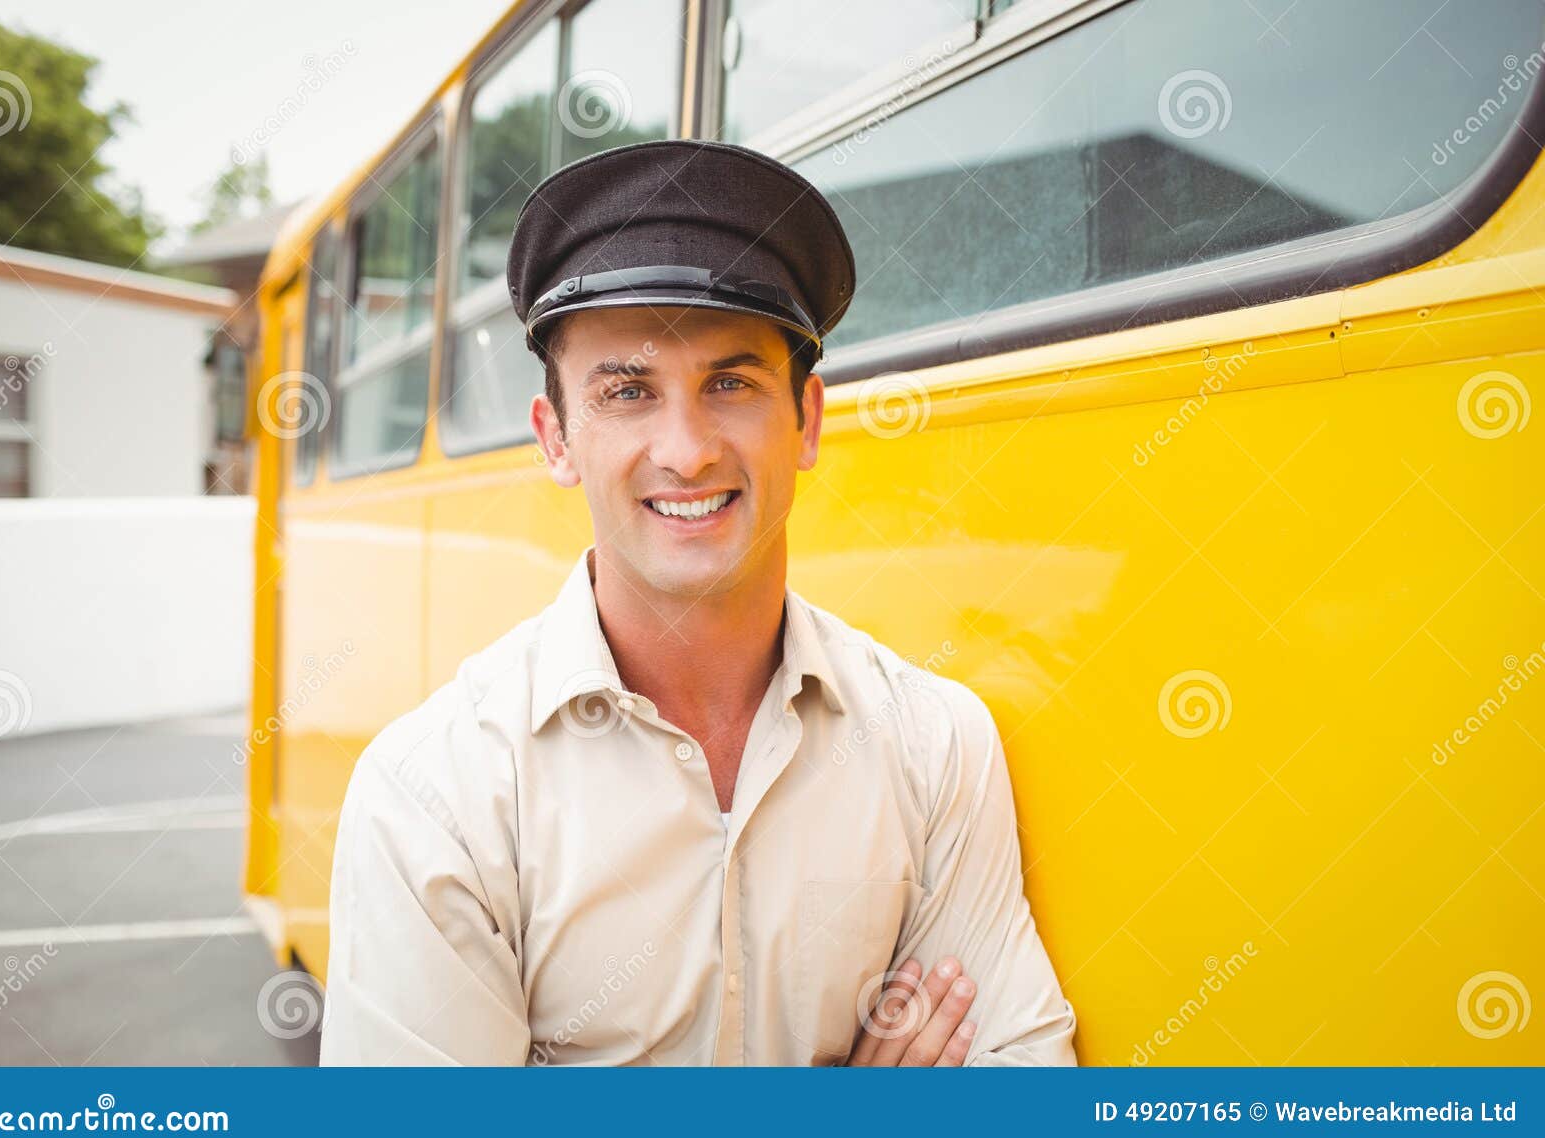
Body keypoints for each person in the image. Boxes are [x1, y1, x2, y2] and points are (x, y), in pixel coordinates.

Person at [319, 139, 1076, 1066]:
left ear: (806, 421)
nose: (686, 450)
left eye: (731, 382)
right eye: (629, 391)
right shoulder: (433, 794)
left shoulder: (936, 743)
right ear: (557, 440)